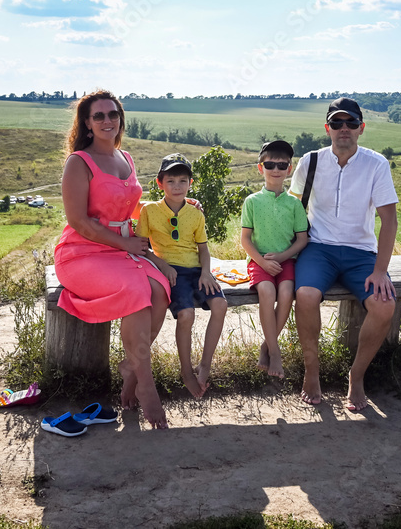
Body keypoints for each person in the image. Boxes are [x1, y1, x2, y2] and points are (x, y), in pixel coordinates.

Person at [54, 90, 170, 429]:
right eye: (99, 116)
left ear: (121, 119)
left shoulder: (126, 159)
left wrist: (174, 205)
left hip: (122, 247)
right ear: (87, 124)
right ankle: (146, 388)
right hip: (83, 251)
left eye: (113, 114)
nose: (108, 121)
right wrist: (127, 244)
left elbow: (130, 206)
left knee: (161, 290)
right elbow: (80, 221)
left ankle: (132, 367)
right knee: (137, 293)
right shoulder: (79, 162)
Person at [287, 97, 399, 412]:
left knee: (384, 305)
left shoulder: (376, 164)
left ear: (361, 128)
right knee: (306, 295)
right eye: (336, 123)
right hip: (317, 248)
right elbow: (291, 207)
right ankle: (312, 371)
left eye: (350, 123)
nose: (343, 129)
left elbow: (389, 220)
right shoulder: (309, 161)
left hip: (361, 252)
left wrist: (380, 271)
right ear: (328, 129)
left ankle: (356, 376)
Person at [137, 154, 228, 398]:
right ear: (159, 183)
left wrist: (207, 273)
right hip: (171, 271)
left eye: (182, 180)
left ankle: (205, 365)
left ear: (190, 183)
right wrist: (163, 266)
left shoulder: (195, 213)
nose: (177, 186)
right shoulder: (150, 211)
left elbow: (203, 248)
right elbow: (142, 247)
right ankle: (186, 371)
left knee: (220, 304)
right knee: (186, 315)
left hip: (196, 270)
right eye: (171, 181)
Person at [239, 140, 309, 379]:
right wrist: (262, 261)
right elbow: (246, 240)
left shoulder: (294, 204)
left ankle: (266, 346)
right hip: (259, 261)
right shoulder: (252, 201)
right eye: (270, 164)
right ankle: (276, 352)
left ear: (290, 169)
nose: (276, 169)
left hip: (286, 260)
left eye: (282, 165)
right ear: (261, 168)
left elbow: (302, 240)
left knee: (287, 293)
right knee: (267, 292)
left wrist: (281, 256)